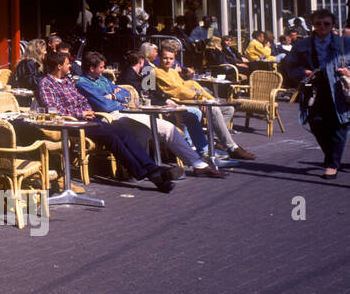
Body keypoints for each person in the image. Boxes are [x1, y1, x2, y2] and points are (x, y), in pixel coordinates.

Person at [37, 54, 179, 192]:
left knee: (124, 133)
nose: (70, 66)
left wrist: (87, 111)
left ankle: (151, 169)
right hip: (71, 124)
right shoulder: (46, 84)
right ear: (59, 66)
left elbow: (82, 100)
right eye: (68, 63)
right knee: (112, 138)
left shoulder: (67, 81)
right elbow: (53, 109)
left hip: (88, 119)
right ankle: (151, 174)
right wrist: (80, 114)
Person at [75, 52, 222, 177]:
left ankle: (196, 163)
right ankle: (145, 170)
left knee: (165, 128)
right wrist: (115, 97)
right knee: (150, 130)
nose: (103, 70)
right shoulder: (83, 83)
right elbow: (104, 105)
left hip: (124, 111)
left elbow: (126, 94)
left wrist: (114, 96)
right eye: (101, 67)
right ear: (91, 68)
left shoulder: (102, 79)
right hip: (110, 116)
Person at [154, 47, 255, 161]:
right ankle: (231, 147)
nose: (168, 61)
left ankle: (215, 141)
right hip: (178, 102)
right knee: (213, 109)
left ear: (174, 59)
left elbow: (189, 84)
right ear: (160, 58)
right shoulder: (158, 72)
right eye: (165, 58)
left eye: (171, 58)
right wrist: (202, 99)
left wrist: (211, 99)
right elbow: (179, 90)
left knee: (228, 109)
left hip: (190, 99)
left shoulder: (172, 71)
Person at [282, 9, 350, 177]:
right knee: (316, 123)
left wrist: (348, 71)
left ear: (332, 24)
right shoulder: (301, 45)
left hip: (338, 89)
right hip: (313, 88)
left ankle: (332, 165)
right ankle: (331, 157)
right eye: (318, 23)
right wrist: (303, 72)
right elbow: (289, 67)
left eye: (326, 23)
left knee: (339, 125)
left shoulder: (345, 43)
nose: (322, 27)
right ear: (313, 24)